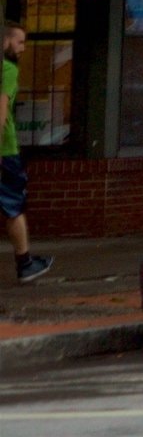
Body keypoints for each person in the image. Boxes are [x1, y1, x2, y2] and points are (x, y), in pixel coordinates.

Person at [2, 25, 53, 283]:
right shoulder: (7, 69)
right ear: (6, 40)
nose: (22, 48)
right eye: (19, 42)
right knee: (13, 205)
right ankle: (25, 263)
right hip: (4, 150)